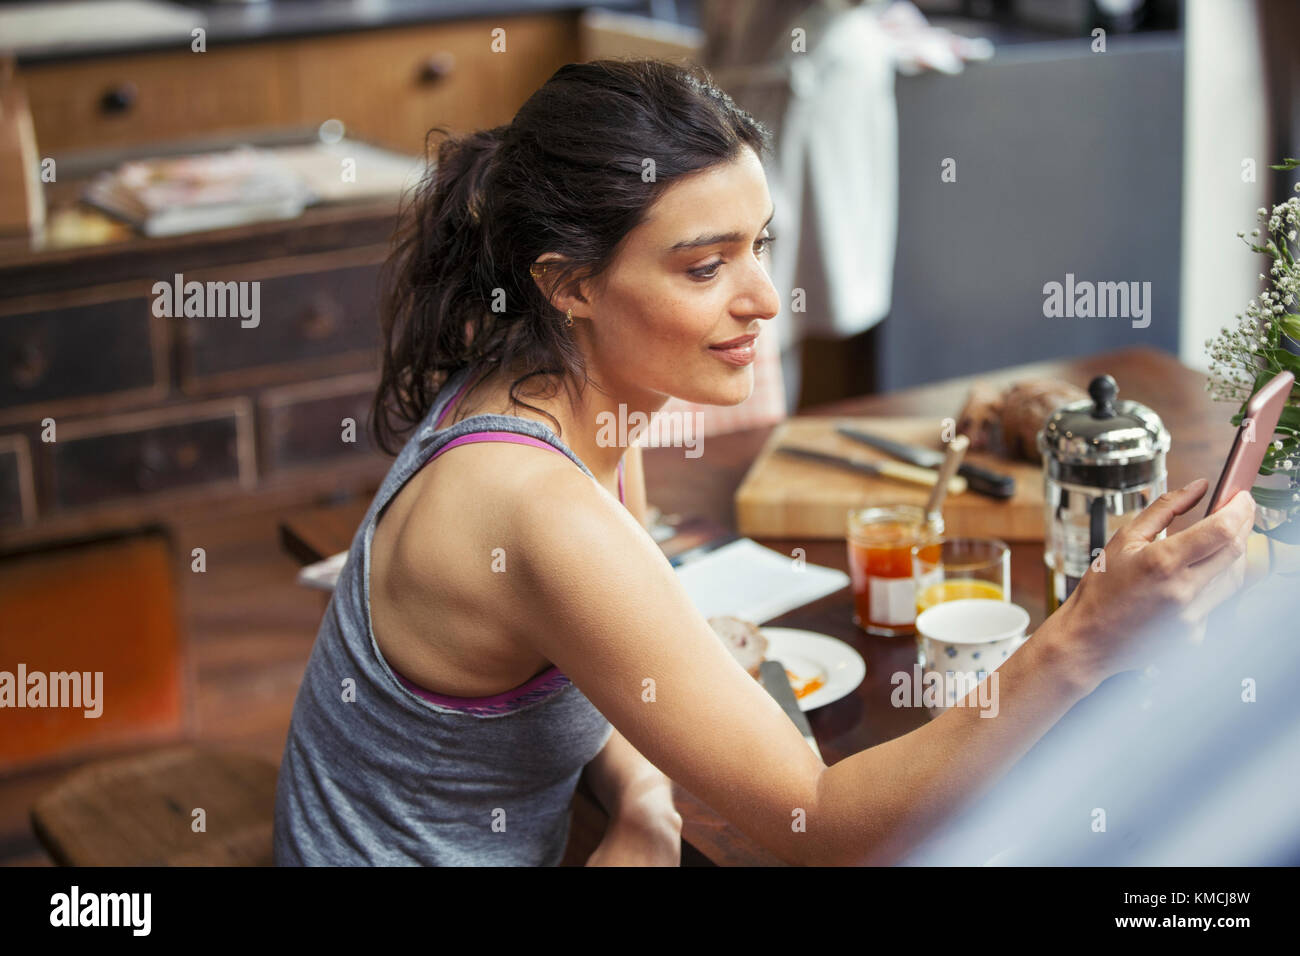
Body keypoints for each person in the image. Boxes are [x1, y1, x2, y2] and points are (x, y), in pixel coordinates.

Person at [271, 57, 1256, 866]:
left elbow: (590, 654)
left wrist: (645, 795)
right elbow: (815, 822)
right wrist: (1082, 636)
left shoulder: (549, 399)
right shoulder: (538, 506)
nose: (760, 296)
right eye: (705, 267)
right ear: (568, 284)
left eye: (759, 246)